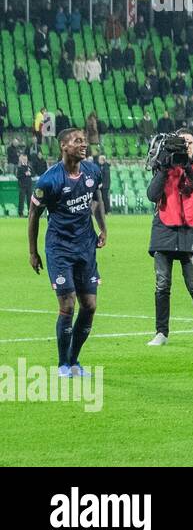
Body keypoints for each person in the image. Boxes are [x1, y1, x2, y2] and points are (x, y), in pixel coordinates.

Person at [27, 128, 107, 378]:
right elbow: (33, 215)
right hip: (60, 248)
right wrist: (33, 251)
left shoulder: (92, 171)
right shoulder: (49, 180)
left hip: (86, 246)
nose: (84, 144)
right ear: (63, 145)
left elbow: (96, 199)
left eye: (84, 141)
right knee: (67, 304)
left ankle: (74, 361)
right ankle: (63, 364)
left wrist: (103, 228)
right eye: (77, 141)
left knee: (90, 305)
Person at [145, 128, 193, 346]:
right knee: (162, 284)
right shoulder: (162, 166)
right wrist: (165, 167)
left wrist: (187, 167)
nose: (186, 145)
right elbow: (151, 195)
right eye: (182, 142)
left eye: (190, 142)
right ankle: (161, 333)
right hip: (163, 232)